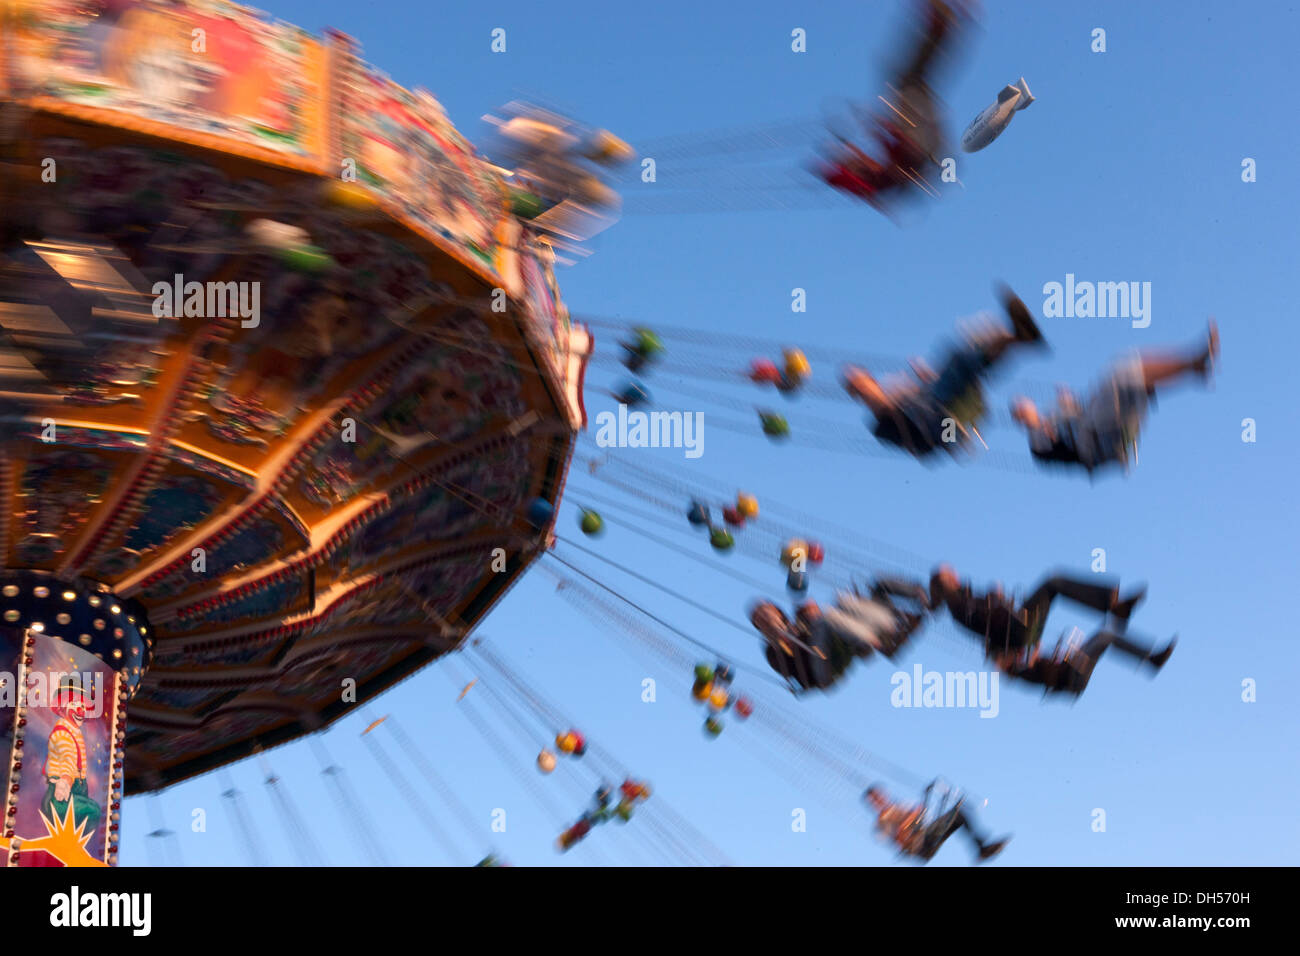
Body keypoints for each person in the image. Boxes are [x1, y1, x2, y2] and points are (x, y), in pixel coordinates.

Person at [843, 286, 1046, 458]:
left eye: (860, 380)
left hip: (952, 411)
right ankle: (1018, 338)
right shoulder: (882, 423)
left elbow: (925, 392)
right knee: (958, 363)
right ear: (857, 393)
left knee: (962, 356)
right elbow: (920, 446)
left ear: (871, 379)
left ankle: (1019, 337)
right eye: (857, 386)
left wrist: (924, 378)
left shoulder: (898, 391)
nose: (861, 386)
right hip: (946, 427)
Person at [1010, 323, 1219, 474]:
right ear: (1020, 419)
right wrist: (1054, 432)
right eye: (1021, 410)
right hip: (1098, 443)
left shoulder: (1054, 411)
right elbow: (1060, 453)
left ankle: (1194, 366)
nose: (1025, 408)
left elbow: (1078, 409)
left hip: (1108, 428)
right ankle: (1193, 365)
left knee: (1128, 368)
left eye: (1024, 405)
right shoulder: (1037, 444)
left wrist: (1069, 401)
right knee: (1119, 376)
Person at [928, 564, 1146, 657]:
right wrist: (993, 598)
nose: (956, 575)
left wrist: (995, 600)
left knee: (1055, 586)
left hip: (1020, 632)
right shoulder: (957, 605)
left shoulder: (961, 601)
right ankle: (1112, 606)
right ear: (945, 583)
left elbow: (984, 618)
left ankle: (1114, 606)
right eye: (950, 575)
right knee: (1054, 582)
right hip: (1016, 629)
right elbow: (983, 620)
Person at [995, 627, 1176, 696]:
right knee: (1104, 640)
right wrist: (1035, 656)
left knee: (1104, 635)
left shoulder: (1024, 667)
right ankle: (1151, 660)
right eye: (1009, 656)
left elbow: (1047, 665)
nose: (1015, 655)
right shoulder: (1022, 675)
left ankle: (1150, 658)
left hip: (1073, 668)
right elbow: (1048, 677)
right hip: (1073, 678)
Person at [864, 781, 1008, 863]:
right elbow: (897, 839)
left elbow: (919, 810)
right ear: (873, 805)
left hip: (927, 835)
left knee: (958, 814)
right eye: (875, 800)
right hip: (919, 848)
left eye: (880, 796)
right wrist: (904, 825)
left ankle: (981, 848)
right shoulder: (880, 825)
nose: (880, 800)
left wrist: (910, 819)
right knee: (917, 835)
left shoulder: (901, 807)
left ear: (885, 795)